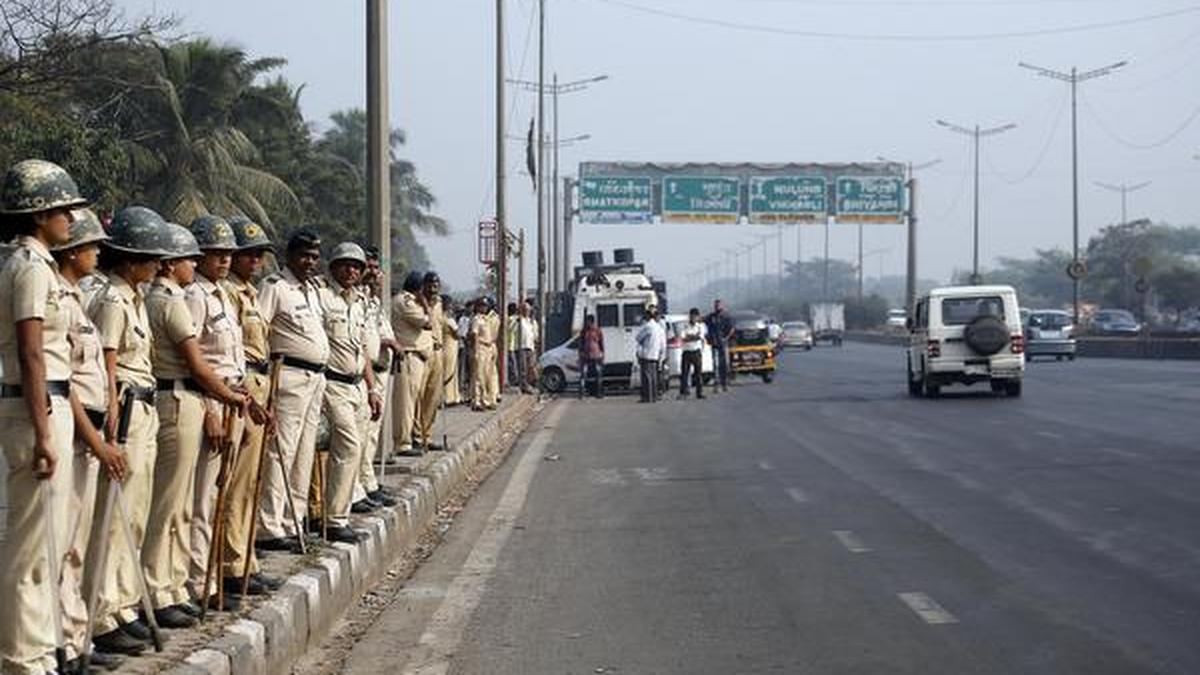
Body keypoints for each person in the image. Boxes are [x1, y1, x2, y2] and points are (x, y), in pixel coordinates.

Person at [0, 159, 88, 673]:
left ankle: (40, 649)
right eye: (62, 210)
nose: (70, 220)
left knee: (46, 539)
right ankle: (23, 658)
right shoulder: (30, 266)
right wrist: (41, 433)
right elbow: (31, 352)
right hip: (36, 404)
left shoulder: (39, 265)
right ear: (38, 215)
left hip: (47, 401)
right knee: (31, 544)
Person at [142, 223, 249, 626]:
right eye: (194, 257)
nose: (221, 259)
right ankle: (172, 587)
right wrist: (222, 403)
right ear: (172, 264)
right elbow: (198, 366)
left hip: (204, 395)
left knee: (190, 504)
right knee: (180, 504)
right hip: (190, 399)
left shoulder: (209, 295)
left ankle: (179, 586)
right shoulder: (179, 299)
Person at [85, 206, 168, 655]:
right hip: (126, 408)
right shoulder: (112, 301)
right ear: (131, 258)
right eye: (151, 258)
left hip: (144, 407)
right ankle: (102, 612)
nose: (157, 265)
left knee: (135, 511)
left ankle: (122, 605)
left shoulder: (134, 298)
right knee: (115, 514)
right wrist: (112, 422)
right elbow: (108, 362)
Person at [51, 209, 129, 672]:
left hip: (91, 431)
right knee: (62, 543)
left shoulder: (78, 298)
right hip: (75, 433)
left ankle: (76, 639)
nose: (98, 252)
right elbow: (65, 386)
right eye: (91, 245)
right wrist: (97, 442)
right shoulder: (59, 299)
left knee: (77, 542)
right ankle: (60, 644)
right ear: (72, 251)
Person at [184, 215, 256, 607]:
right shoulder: (194, 295)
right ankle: (200, 584)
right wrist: (210, 410)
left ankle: (215, 576)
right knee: (202, 499)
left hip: (234, 397)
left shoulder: (223, 295)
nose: (225, 260)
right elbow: (193, 360)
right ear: (199, 255)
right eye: (216, 253)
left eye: (228, 253)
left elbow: (233, 356)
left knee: (221, 493)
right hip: (211, 398)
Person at [218, 216, 283, 595]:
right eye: (250, 254)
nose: (256, 260)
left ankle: (245, 558)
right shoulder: (227, 293)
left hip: (260, 380)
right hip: (241, 386)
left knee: (253, 479)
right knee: (237, 478)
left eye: (260, 254)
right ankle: (230, 562)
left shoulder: (251, 293)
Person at [256, 230, 329, 553]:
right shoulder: (275, 287)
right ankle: (269, 525)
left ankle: (293, 520)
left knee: (304, 452)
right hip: (289, 376)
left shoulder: (311, 291)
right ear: (290, 256)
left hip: (315, 378)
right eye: (304, 256)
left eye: (314, 257)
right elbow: (258, 331)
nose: (310, 262)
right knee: (281, 451)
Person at [315, 243, 379, 543]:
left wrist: (372, 388)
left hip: (356, 385)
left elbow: (362, 350)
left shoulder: (359, 302)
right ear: (333, 268)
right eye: (345, 265)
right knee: (348, 446)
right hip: (332, 384)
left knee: (357, 447)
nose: (351, 270)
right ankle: (334, 520)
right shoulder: (322, 298)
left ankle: (340, 511)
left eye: (356, 266)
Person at [350, 246, 398, 514]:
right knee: (359, 436)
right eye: (367, 267)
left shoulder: (373, 301)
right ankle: (358, 487)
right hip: (360, 374)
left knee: (371, 434)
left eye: (376, 268)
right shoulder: (353, 299)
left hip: (378, 371)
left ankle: (368, 482)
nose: (373, 273)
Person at [392, 271, 433, 455]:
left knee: (413, 402)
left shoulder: (410, 301)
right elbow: (427, 322)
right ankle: (403, 443)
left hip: (418, 357)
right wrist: (425, 303)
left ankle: (412, 437)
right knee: (406, 403)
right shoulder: (405, 302)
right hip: (408, 356)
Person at [416, 272, 446, 450]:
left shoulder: (440, 304)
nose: (433, 288)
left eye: (436, 284)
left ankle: (427, 434)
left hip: (438, 351)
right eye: (430, 284)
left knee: (433, 397)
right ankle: (416, 435)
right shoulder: (417, 303)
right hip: (424, 352)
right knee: (419, 394)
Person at [469, 298, 499, 410]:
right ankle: (476, 401)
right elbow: (474, 335)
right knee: (478, 375)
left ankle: (485, 400)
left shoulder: (486, 319)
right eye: (482, 305)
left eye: (485, 306)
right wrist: (475, 350)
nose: (484, 308)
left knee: (486, 375)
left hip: (488, 348)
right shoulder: (477, 319)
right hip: (480, 347)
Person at [635, 302, 667, 403]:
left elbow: (638, 338)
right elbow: (663, 343)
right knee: (654, 377)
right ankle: (654, 396)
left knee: (647, 377)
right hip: (656, 354)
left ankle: (647, 397)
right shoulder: (659, 327)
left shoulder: (647, 326)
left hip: (647, 354)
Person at [704, 299, 734, 392]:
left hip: (723, 344)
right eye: (716, 305)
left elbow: (731, 329)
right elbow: (702, 322)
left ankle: (724, 384)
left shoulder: (726, 316)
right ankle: (716, 384)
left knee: (724, 364)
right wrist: (707, 337)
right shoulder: (711, 317)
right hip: (714, 343)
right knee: (715, 364)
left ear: (722, 306)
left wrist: (726, 338)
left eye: (718, 305)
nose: (717, 307)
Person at [679, 307, 707, 399]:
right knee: (684, 373)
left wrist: (690, 337)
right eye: (692, 316)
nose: (694, 318)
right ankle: (683, 393)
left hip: (696, 352)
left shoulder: (700, 326)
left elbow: (700, 337)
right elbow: (683, 338)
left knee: (698, 374)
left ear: (698, 317)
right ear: (690, 316)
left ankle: (699, 393)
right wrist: (693, 337)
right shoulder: (685, 325)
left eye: (695, 316)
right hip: (686, 352)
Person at [441, 296, 462, 407]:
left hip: (443, 346)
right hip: (450, 347)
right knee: (450, 372)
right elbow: (457, 334)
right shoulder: (449, 320)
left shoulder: (438, 318)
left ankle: (447, 396)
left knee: (445, 371)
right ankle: (449, 397)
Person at [578, 314, 604, 399]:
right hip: (586, 356)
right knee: (583, 373)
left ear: (592, 322)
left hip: (596, 355)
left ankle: (599, 392)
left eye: (589, 321)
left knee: (598, 373)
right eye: (587, 321)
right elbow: (581, 343)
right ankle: (582, 393)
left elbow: (601, 343)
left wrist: (602, 353)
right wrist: (580, 353)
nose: (587, 323)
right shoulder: (584, 331)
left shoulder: (597, 330)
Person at [514, 300, 538, 394]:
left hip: (530, 346)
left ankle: (529, 384)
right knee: (523, 368)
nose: (527, 311)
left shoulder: (530, 322)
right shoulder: (519, 320)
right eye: (525, 309)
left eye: (528, 310)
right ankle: (523, 386)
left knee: (530, 367)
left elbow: (534, 335)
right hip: (522, 346)